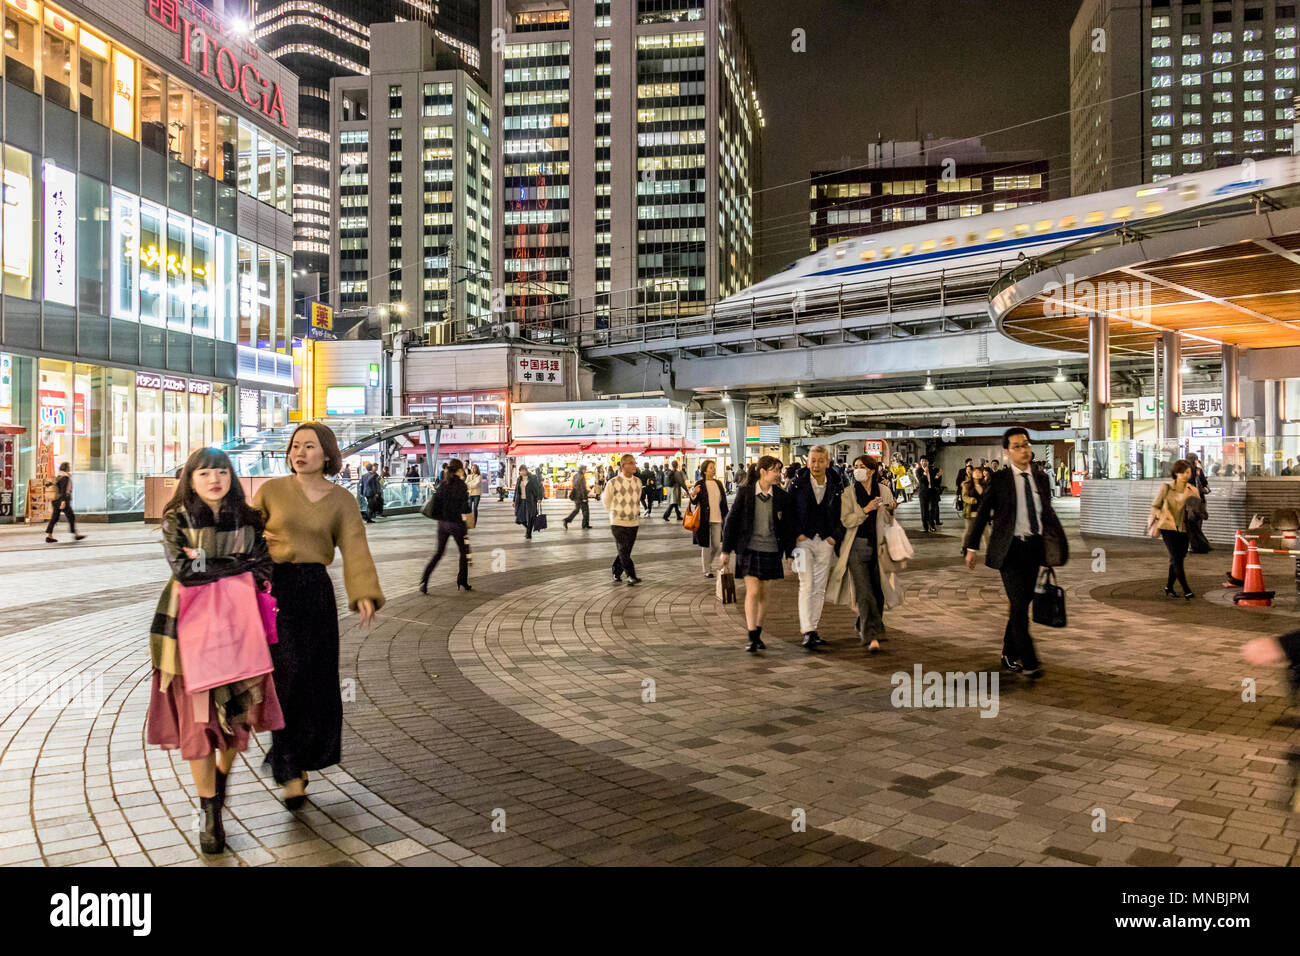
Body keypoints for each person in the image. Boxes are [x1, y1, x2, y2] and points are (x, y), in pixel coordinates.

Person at [147, 447, 284, 855]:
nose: (213, 479)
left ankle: (217, 786)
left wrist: (213, 561)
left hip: (240, 635)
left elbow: (263, 567)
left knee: (234, 724)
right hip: (187, 637)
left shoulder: (249, 518)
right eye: (204, 472)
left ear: (232, 477)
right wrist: (237, 563)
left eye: (221, 471)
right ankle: (210, 812)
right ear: (190, 479)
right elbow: (186, 572)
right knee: (198, 725)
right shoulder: (177, 519)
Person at [253, 423, 383, 808]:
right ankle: (289, 769)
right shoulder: (271, 491)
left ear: (327, 454)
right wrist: (257, 541)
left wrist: (364, 593)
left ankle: (301, 758)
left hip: (316, 592)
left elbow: (354, 546)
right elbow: (243, 532)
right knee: (285, 679)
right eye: (295, 446)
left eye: (309, 446)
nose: (300, 452)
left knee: (316, 680)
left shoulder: (341, 500)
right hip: (276, 591)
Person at [963, 427, 1065, 679]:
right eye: (1017, 446)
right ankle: (1029, 660)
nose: (1024, 450)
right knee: (1019, 605)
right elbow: (983, 513)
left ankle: (1008, 652)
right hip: (1009, 550)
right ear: (1006, 452)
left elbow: (1047, 513)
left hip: (1034, 548)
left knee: (1022, 603)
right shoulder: (998, 480)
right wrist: (971, 546)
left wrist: (1055, 543)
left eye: (1026, 444)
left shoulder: (1041, 478)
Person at [827, 454, 901, 652]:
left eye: (862, 466)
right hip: (855, 547)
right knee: (864, 590)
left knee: (878, 590)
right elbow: (846, 521)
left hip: (878, 546)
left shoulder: (884, 490)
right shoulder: (849, 493)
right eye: (855, 466)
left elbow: (888, 521)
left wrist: (892, 510)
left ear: (871, 470)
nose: (857, 469)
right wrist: (866, 509)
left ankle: (864, 623)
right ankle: (872, 635)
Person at [720, 455, 793, 653]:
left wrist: (791, 553)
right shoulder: (745, 493)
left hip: (771, 549)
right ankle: (752, 635)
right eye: (775, 470)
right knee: (752, 591)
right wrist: (725, 551)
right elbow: (731, 522)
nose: (778, 474)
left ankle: (758, 631)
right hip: (749, 549)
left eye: (779, 470)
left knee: (765, 593)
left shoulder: (782, 496)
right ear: (763, 471)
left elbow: (787, 528)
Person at [786, 445, 845, 650]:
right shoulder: (796, 484)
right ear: (807, 462)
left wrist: (834, 538)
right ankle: (807, 630)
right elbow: (788, 513)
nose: (816, 464)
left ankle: (813, 628)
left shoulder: (837, 484)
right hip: (803, 541)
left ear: (828, 462)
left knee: (819, 587)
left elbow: (843, 513)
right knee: (806, 583)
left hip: (826, 541)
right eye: (812, 460)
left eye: (821, 460)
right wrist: (797, 535)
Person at [1149, 459, 1200, 600]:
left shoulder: (1193, 490)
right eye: (1183, 472)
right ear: (1176, 473)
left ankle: (1169, 587)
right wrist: (1160, 515)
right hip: (1168, 527)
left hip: (1185, 529)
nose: (1186, 475)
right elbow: (1155, 505)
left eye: (1188, 472)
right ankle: (1186, 589)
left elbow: (1198, 510)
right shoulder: (1166, 487)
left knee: (1178, 558)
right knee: (1176, 558)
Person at [420, 458, 471, 593]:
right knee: (463, 552)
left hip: (442, 524)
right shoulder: (461, 485)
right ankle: (462, 580)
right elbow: (466, 508)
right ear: (460, 469)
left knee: (438, 553)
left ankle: (424, 580)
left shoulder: (444, 484)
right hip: (456, 523)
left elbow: (436, 504)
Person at [603, 454, 643, 585]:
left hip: (633, 522)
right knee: (623, 548)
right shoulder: (613, 482)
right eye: (630, 463)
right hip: (618, 522)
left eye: (634, 463)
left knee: (625, 550)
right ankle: (631, 575)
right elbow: (606, 501)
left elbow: (637, 499)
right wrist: (615, 512)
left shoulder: (638, 482)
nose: (634, 465)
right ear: (622, 466)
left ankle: (616, 570)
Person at [688, 458, 729, 577]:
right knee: (706, 545)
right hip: (704, 519)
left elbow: (723, 502)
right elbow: (694, 502)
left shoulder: (718, 483)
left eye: (714, 467)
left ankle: (708, 564)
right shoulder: (699, 484)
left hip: (717, 518)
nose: (713, 469)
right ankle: (707, 570)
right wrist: (694, 494)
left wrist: (726, 516)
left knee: (716, 545)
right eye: (711, 467)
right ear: (705, 471)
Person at [43, 462, 86, 543]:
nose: (70, 468)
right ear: (66, 468)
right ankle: (75, 535)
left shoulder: (58, 476)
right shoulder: (65, 477)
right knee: (71, 516)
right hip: (62, 500)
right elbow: (63, 490)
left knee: (54, 518)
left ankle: (49, 535)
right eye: (69, 466)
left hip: (55, 500)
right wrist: (63, 501)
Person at [961, 466, 988, 555]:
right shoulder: (966, 484)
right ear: (972, 474)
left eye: (979, 472)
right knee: (969, 531)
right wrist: (972, 500)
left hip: (982, 513)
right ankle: (964, 547)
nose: (977, 473)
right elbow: (964, 497)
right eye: (975, 472)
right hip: (971, 512)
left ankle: (990, 550)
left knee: (986, 532)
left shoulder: (985, 485)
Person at [515, 465, 543, 539]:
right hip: (521, 501)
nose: (522, 472)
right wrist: (514, 501)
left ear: (526, 470)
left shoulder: (533, 478)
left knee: (530, 517)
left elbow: (539, 488)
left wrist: (539, 497)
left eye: (524, 470)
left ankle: (528, 534)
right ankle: (529, 529)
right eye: (521, 470)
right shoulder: (519, 479)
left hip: (530, 501)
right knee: (520, 518)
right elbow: (517, 491)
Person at [563, 465, 590, 530]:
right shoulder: (582, 477)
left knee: (577, 510)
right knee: (585, 511)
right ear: (582, 470)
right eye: (585, 470)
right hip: (581, 496)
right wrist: (584, 497)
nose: (585, 471)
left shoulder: (575, 476)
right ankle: (585, 524)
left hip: (576, 496)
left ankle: (567, 520)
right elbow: (582, 488)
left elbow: (575, 486)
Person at [913, 457, 936, 532]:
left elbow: (935, 480)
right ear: (920, 462)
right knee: (924, 510)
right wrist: (925, 473)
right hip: (923, 493)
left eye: (925, 461)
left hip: (932, 492)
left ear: (928, 462)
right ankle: (925, 526)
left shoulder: (932, 470)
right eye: (922, 461)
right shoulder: (918, 471)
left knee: (932, 509)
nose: (924, 462)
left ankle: (932, 525)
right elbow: (921, 481)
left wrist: (938, 476)